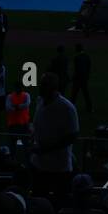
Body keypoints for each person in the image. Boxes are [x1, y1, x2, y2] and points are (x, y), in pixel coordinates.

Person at [30, 72, 79, 202]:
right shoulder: (40, 101)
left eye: (44, 85)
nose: (40, 88)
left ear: (53, 88)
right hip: (39, 165)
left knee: (58, 203)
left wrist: (46, 149)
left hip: (58, 169)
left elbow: (72, 136)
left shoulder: (67, 108)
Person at [72, 43, 93, 113]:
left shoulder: (77, 58)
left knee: (74, 94)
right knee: (86, 94)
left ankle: (71, 107)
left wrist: (74, 78)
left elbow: (77, 69)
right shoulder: (87, 56)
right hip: (84, 78)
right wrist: (87, 76)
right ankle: (89, 108)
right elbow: (89, 67)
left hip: (78, 79)